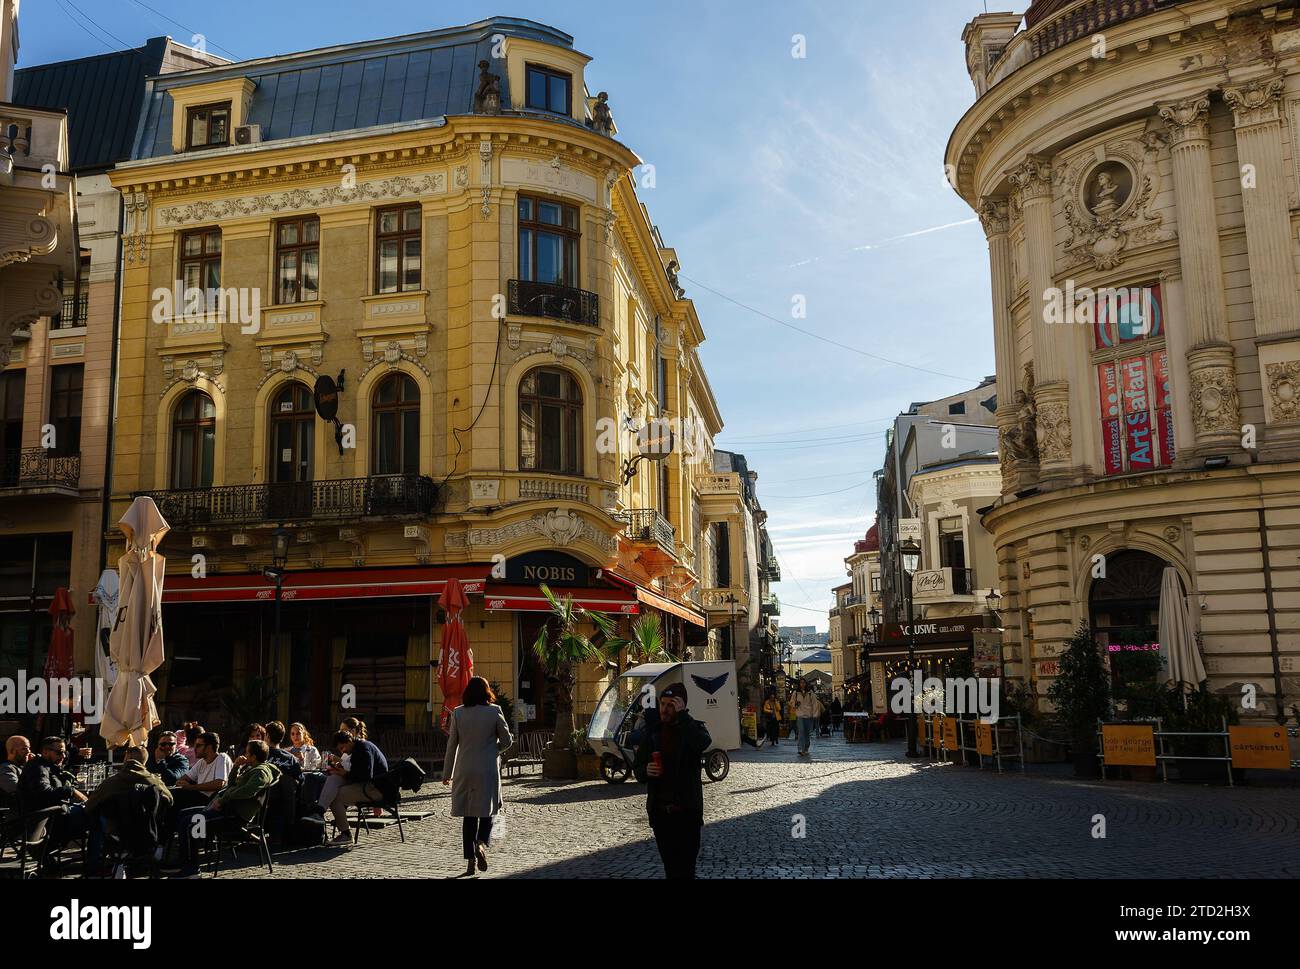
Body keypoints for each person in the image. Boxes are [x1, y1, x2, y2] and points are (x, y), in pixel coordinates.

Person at [633, 682, 711, 880]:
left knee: (686, 869)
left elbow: (702, 743)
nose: (664, 710)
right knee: (670, 868)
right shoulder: (653, 732)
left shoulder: (694, 728)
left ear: (680, 706)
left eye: (670, 705)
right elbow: (638, 766)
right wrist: (645, 770)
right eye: (662, 704)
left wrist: (684, 717)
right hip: (661, 815)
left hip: (687, 814)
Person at [169, 740, 280, 878]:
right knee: (183, 814)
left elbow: (248, 791)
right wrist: (236, 767)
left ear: (254, 757)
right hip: (223, 809)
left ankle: (192, 868)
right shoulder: (250, 768)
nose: (244, 754)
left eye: (246, 752)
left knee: (191, 822)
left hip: (233, 816)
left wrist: (222, 800)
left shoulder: (261, 772)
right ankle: (186, 860)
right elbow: (231, 784)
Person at [441, 677, 513, 877]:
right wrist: (493, 750)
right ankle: (481, 843)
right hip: (487, 768)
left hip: (464, 768)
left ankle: (470, 863)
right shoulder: (494, 711)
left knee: (468, 815)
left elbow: (452, 745)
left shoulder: (458, 713)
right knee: (488, 810)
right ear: (486, 692)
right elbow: (507, 740)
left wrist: (447, 773)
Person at [307, 729, 388, 844]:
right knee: (334, 778)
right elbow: (355, 771)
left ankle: (346, 834)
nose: (342, 751)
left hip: (376, 788)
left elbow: (365, 775)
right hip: (367, 784)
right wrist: (340, 771)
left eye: (342, 748)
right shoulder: (356, 748)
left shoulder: (364, 749)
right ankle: (319, 811)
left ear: (349, 741)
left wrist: (344, 773)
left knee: (335, 796)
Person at [19, 736, 89, 855]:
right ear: (45, 752)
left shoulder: (48, 766)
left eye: (65, 752)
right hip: (44, 820)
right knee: (95, 815)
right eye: (59, 752)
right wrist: (71, 791)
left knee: (95, 812)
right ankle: (95, 862)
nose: (63, 756)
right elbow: (44, 792)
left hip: (54, 816)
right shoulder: (37, 767)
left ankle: (94, 860)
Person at [173, 731, 231, 811]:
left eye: (198, 746)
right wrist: (182, 783)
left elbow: (219, 784)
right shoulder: (201, 762)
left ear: (209, 747)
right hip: (199, 797)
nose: (194, 748)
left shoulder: (222, 757)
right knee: (171, 795)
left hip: (211, 802)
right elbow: (183, 778)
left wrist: (191, 787)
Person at [791, 679, 822, 757]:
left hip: (808, 715)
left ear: (806, 684)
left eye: (804, 683)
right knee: (801, 731)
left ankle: (806, 748)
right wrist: (795, 704)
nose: (802, 684)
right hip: (800, 715)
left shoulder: (810, 693)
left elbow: (815, 704)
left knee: (807, 733)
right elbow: (791, 702)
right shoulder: (796, 693)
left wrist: (815, 714)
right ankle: (800, 749)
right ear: (799, 684)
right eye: (801, 683)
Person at [1, 734, 33, 799]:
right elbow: (17, 789)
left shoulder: (25, 767)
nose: (28, 751)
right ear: (12, 751)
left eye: (29, 748)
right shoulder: (5, 768)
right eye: (24, 749)